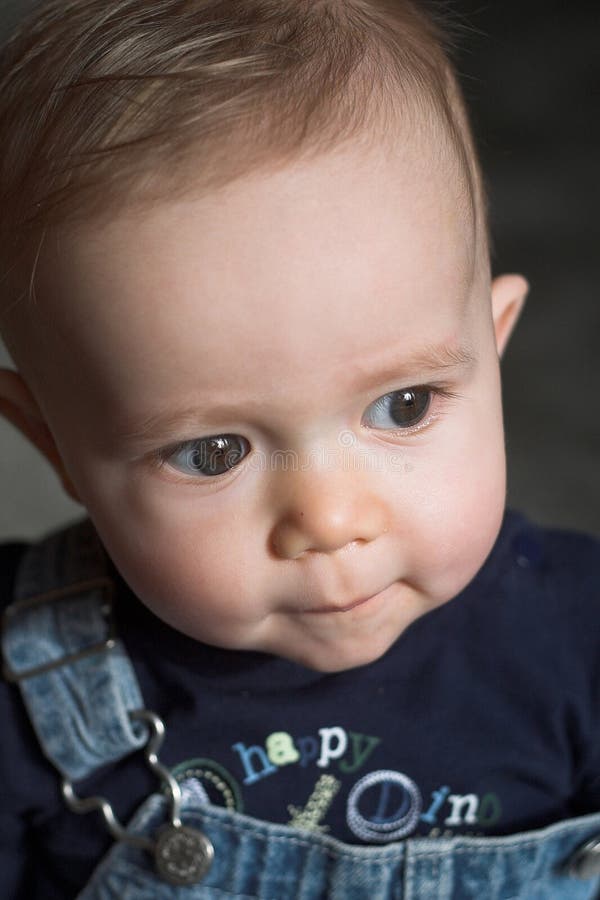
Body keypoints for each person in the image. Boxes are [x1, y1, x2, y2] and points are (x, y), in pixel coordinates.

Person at [0, 0, 598, 897]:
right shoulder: (22, 683)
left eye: (402, 406)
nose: (329, 519)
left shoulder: (579, 640)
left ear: (495, 343)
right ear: (55, 445)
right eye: (213, 453)